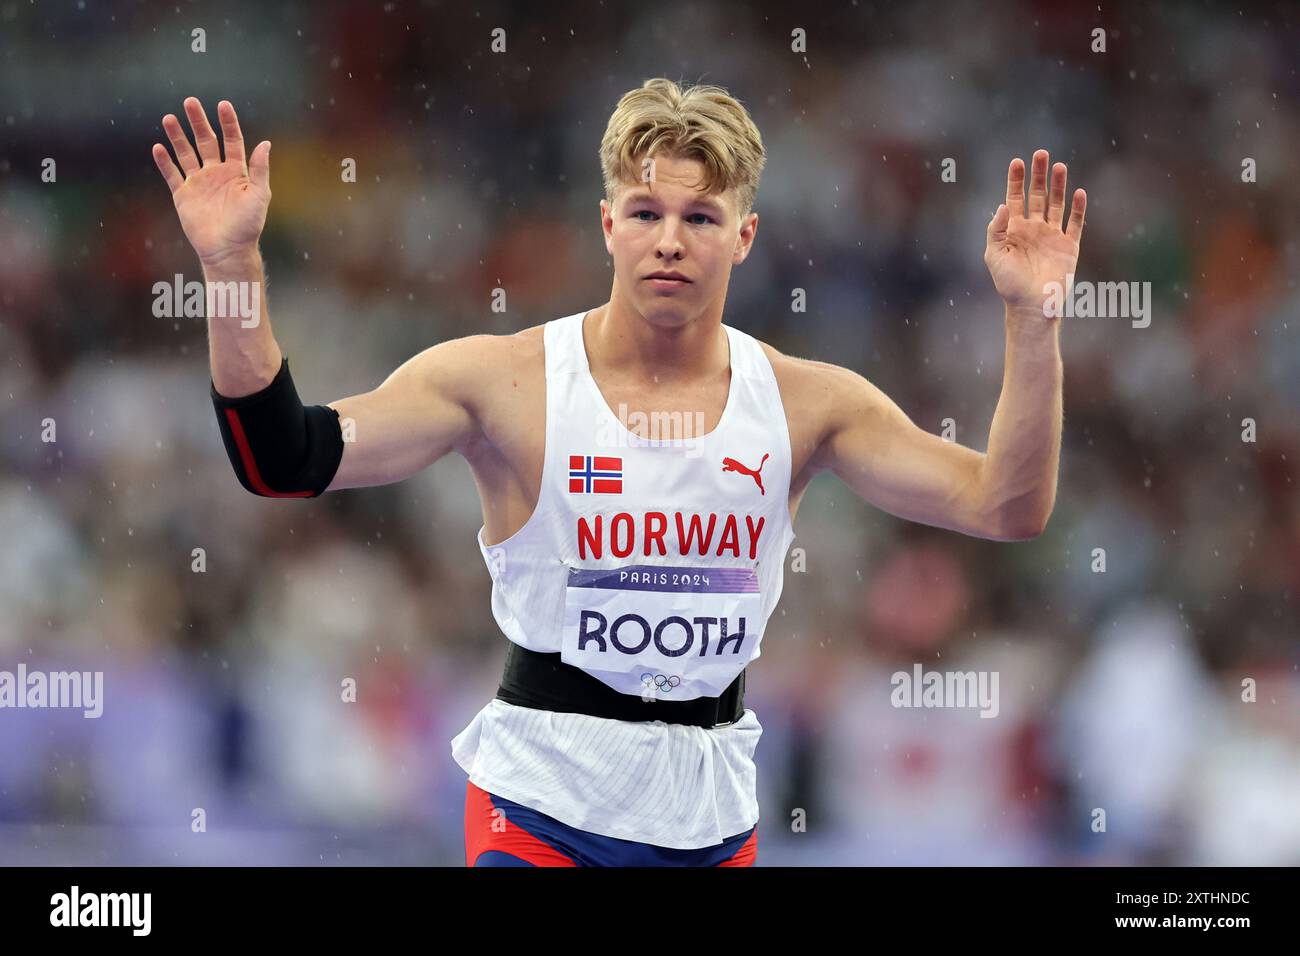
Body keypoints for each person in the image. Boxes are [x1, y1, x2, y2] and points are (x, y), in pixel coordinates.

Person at [151, 77, 1086, 866]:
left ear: (745, 236)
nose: (670, 240)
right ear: (608, 224)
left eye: (699, 217)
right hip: (542, 797)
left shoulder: (809, 402)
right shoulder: (501, 382)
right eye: (645, 212)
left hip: (712, 811)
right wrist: (231, 263)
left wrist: (1032, 326)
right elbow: (281, 459)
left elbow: (1004, 506)